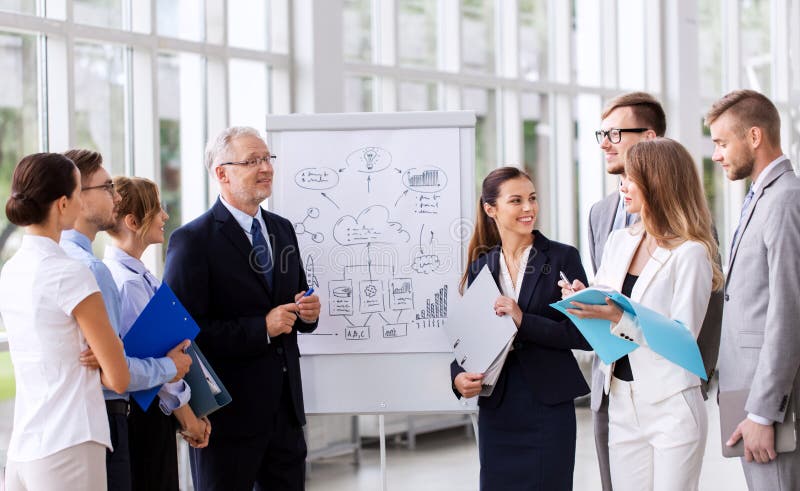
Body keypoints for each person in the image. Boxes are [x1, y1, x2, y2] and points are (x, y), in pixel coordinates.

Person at [163, 126, 321, 491]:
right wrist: (261, 327)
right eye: (252, 161)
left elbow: (294, 303)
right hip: (227, 419)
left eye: (267, 158)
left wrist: (308, 313)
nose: (266, 168)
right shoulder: (192, 241)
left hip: (285, 416)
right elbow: (185, 334)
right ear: (222, 173)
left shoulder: (282, 230)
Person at [563, 138, 723, 490]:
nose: (622, 186)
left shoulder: (691, 252)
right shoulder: (619, 241)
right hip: (621, 398)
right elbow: (606, 310)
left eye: (631, 179)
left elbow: (683, 337)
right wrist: (581, 301)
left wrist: (617, 318)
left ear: (657, 182)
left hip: (672, 404)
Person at [450, 166, 591, 490]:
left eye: (532, 198)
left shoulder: (562, 258)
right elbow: (469, 338)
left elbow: (582, 335)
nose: (529, 208)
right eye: (516, 200)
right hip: (498, 409)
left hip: (548, 408)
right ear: (491, 209)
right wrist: (457, 376)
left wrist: (522, 319)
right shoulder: (481, 266)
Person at [60, 149, 192, 491]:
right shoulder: (101, 273)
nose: (115, 198)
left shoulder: (116, 272)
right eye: (106, 188)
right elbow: (118, 372)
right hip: (121, 415)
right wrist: (169, 370)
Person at [0, 153, 129, 491]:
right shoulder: (72, 273)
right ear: (63, 204)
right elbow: (118, 378)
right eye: (77, 192)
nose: (81, 201)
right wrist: (108, 351)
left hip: (23, 449)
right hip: (70, 444)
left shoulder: (11, 270)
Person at [707, 89, 800, 490]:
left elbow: (788, 311)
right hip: (746, 391)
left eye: (722, 143)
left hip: (772, 405)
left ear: (755, 136)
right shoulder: (760, 197)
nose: (716, 155)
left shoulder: (785, 200)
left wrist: (764, 412)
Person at [103, 176, 211, 490]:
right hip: (145, 414)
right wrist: (189, 420)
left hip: (150, 411)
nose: (165, 215)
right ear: (132, 221)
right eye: (157, 208)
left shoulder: (137, 275)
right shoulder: (128, 283)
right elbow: (154, 365)